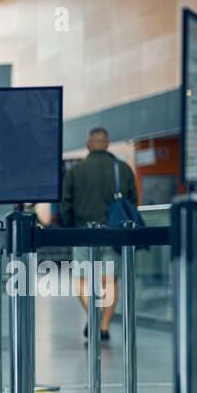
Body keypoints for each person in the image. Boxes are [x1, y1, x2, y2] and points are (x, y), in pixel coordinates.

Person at [60, 126, 138, 341]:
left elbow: (65, 204)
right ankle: (104, 326)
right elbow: (133, 202)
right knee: (110, 281)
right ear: (107, 143)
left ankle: (93, 316)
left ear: (88, 144)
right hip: (114, 233)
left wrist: (70, 227)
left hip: (84, 233)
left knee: (82, 280)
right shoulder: (122, 169)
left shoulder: (76, 171)